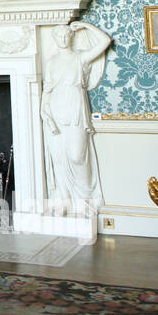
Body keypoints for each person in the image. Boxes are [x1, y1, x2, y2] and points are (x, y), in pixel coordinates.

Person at [41, 21, 112, 217]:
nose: (63, 39)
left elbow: (105, 41)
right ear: (55, 39)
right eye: (59, 36)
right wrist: (45, 115)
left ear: (71, 37)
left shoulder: (81, 58)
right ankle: (64, 200)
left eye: (66, 36)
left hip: (75, 110)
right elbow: (46, 92)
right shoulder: (52, 62)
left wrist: (84, 26)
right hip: (54, 112)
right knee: (59, 160)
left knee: (77, 156)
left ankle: (84, 201)